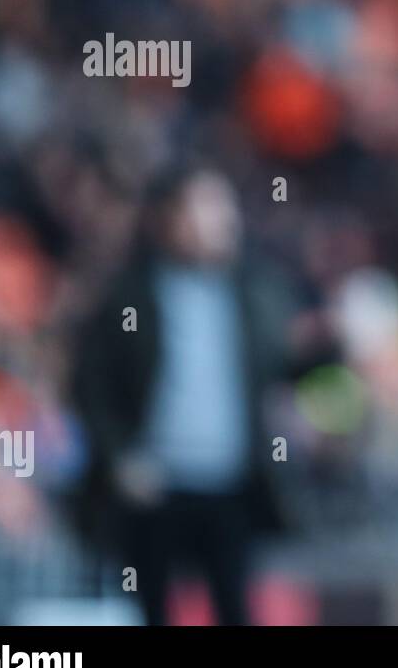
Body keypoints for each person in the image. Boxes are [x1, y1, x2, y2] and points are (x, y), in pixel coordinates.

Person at [68, 163, 291, 625]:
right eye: (206, 205)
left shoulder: (251, 291)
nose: (224, 220)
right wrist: (120, 458)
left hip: (230, 484)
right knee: (153, 609)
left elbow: (281, 364)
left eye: (225, 205)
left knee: (235, 607)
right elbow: (90, 387)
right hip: (154, 489)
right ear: (166, 218)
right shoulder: (128, 296)